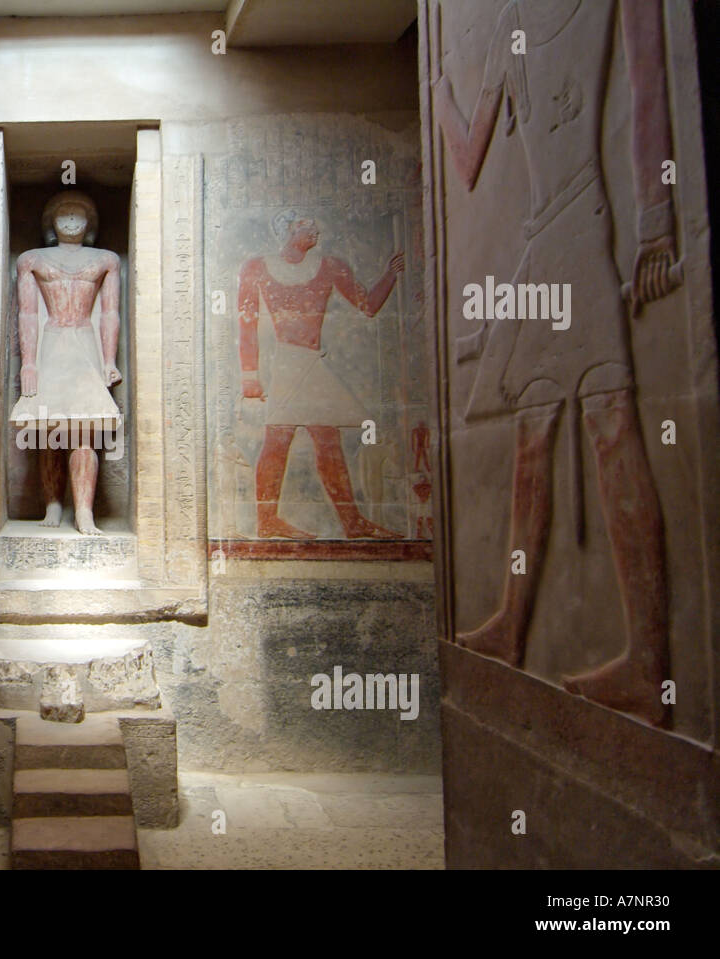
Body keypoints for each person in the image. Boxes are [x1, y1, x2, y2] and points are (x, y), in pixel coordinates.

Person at [434, 0, 680, 725]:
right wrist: (439, 88)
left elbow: (649, 87)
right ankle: (513, 622)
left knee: (610, 419)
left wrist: (656, 222)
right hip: (542, 240)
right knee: (533, 433)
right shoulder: (513, 21)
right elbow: (469, 155)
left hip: (583, 218)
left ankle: (650, 658)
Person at [239, 213, 404, 539]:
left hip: (312, 364)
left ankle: (350, 523)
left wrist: (390, 275)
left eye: (316, 223)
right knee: (278, 442)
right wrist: (249, 375)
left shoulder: (331, 265)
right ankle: (269, 521)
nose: (316, 228)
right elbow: (247, 321)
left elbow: (367, 305)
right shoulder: (257, 267)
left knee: (326, 441)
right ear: (287, 229)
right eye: (306, 223)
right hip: (286, 364)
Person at [10, 191, 122, 536]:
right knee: (50, 433)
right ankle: (53, 504)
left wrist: (109, 361)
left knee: (84, 431)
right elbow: (27, 314)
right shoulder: (32, 259)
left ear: (90, 223)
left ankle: (84, 512)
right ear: (51, 223)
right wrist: (28, 365)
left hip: (85, 344)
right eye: (63, 216)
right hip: (53, 343)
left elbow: (109, 313)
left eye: (78, 216)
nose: (71, 222)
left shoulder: (106, 259)